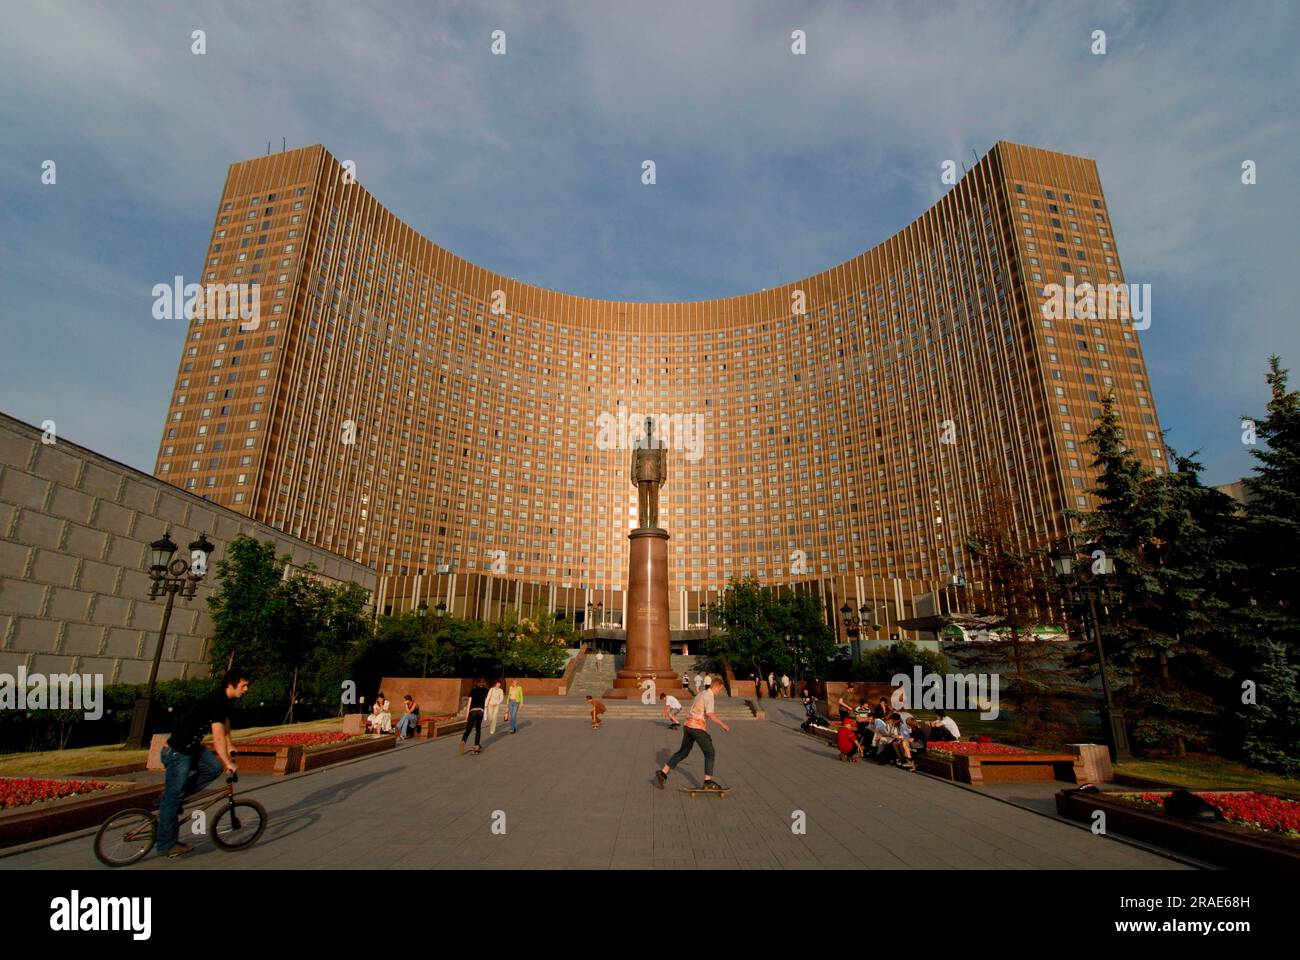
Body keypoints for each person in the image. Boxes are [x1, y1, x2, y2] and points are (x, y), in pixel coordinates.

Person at [155, 668, 250, 858]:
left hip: (190, 748)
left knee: (212, 768)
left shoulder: (226, 700)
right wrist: (227, 762)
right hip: (177, 753)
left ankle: (172, 797)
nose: (246, 689)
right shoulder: (217, 700)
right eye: (244, 685)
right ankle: (166, 845)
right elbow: (217, 739)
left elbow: (225, 722)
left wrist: (230, 743)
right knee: (172, 800)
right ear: (231, 684)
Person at [656, 675, 730, 790]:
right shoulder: (709, 696)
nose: (719, 692)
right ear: (717, 686)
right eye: (720, 689)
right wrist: (723, 725)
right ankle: (708, 781)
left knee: (683, 752)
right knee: (710, 752)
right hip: (697, 728)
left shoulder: (701, 693)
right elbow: (710, 714)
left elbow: (699, 710)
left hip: (688, 726)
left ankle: (663, 772)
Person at [460, 680, 488, 754]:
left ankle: (463, 740)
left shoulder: (473, 690)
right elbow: (486, 702)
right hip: (480, 711)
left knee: (469, 728)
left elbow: (469, 702)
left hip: (473, 711)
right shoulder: (485, 691)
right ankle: (476, 745)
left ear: (476, 684)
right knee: (478, 729)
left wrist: (467, 715)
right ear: (483, 684)